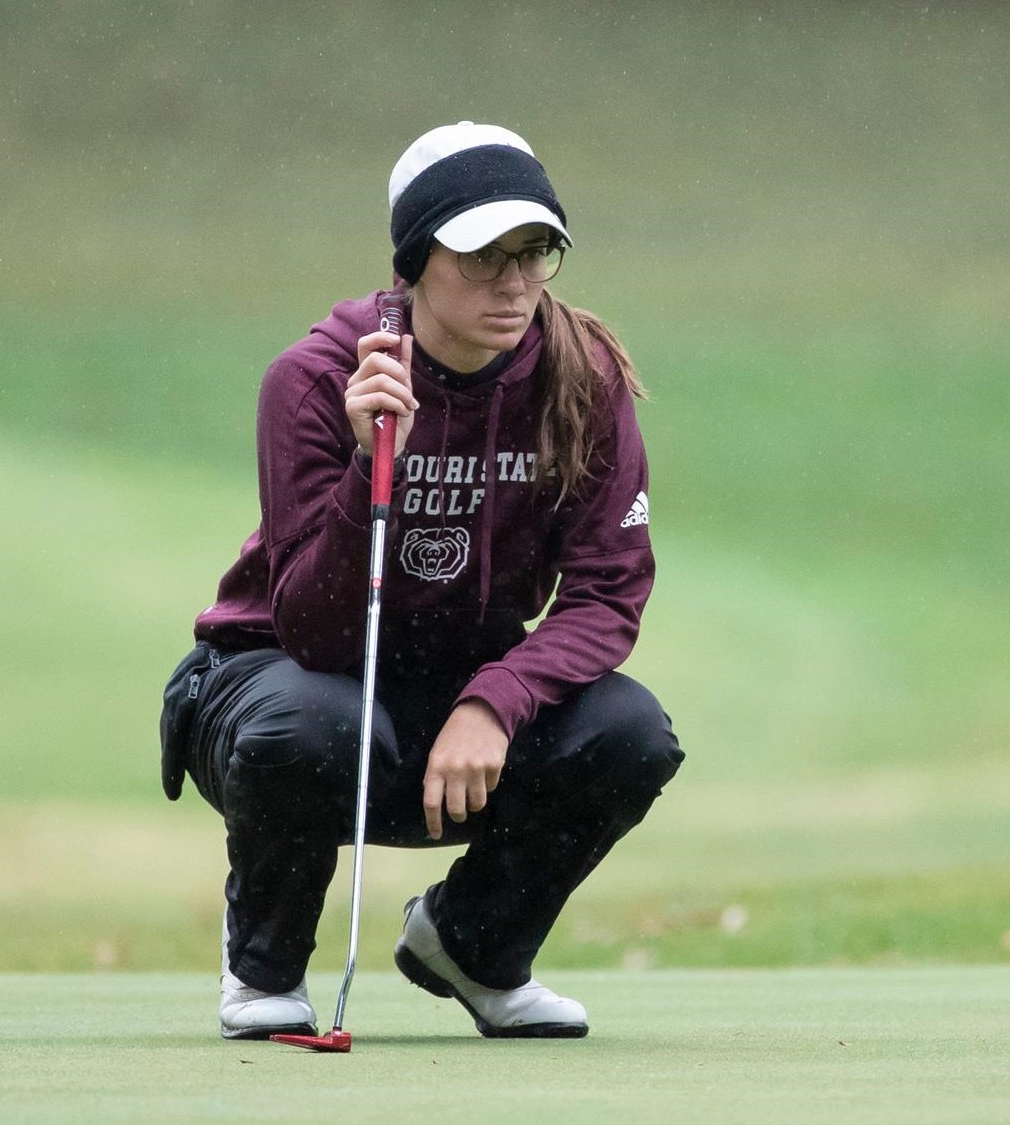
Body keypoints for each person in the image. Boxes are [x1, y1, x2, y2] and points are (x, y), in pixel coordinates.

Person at [158, 121, 683, 1040]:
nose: (514, 285)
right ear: (415, 263)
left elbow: (609, 591)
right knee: (321, 719)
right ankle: (264, 968)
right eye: (483, 257)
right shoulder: (317, 378)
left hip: (453, 699)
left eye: (536, 254)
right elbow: (315, 630)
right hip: (273, 684)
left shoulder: (581, 376)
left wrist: (497, 698)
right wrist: (371, 466)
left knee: (629, 731)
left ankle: (474, 947)